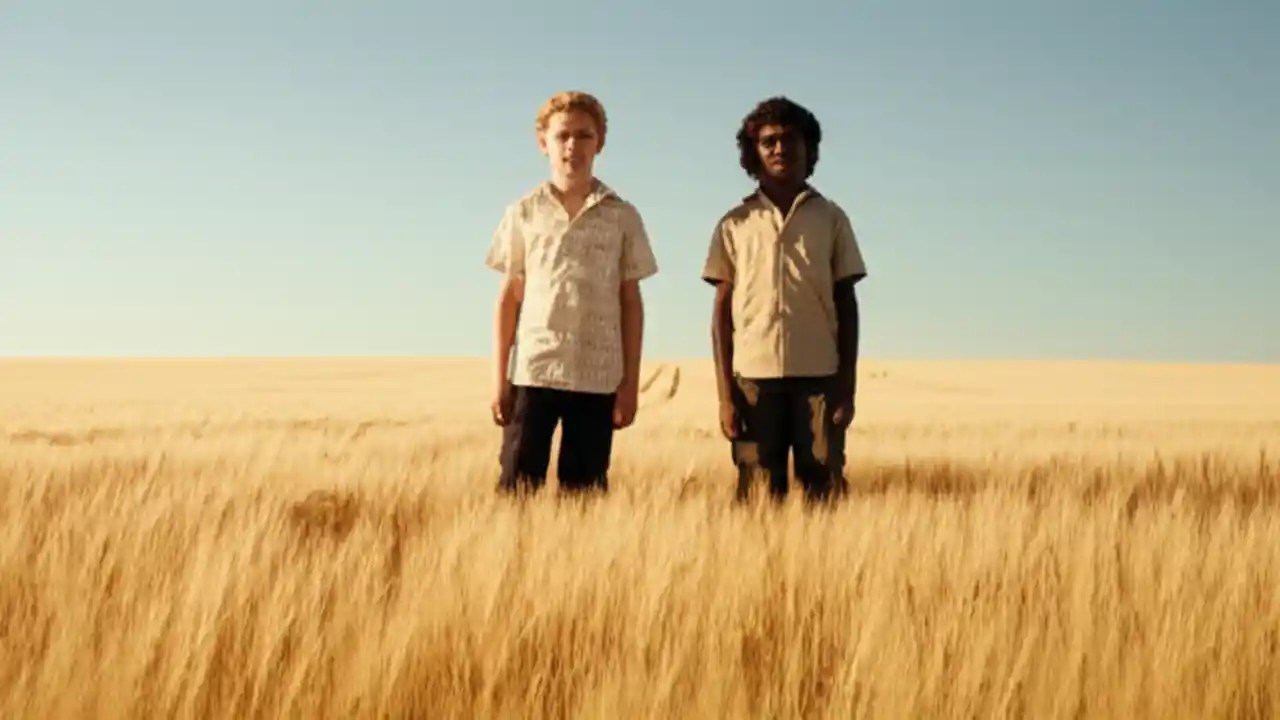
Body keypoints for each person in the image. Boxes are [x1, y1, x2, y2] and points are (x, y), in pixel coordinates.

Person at [485, 90, 659, 495]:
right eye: (562, 135)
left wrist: (629, 383)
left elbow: (630, 302)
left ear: (600, 142)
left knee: (584, 496)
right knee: (516, 490)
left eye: (584, 136)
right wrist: (499, 380)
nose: (572, 146)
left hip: (596, 378)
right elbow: (510, 297)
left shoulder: (622, 215)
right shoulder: (523, 212)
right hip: (534, 371)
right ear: (542, 141)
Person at [701, 96, 868, 503]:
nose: (780, 148)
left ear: (809, 149)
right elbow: (721, 313)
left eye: (790, 140)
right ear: (752, 152)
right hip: (753, 381)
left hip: (819, 379)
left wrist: (846, 387)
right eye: (768, 141)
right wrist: (726, 397)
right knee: (757, 495)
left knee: (823, 491)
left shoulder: (831, 218)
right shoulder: (733, 224)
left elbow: (847, 303)